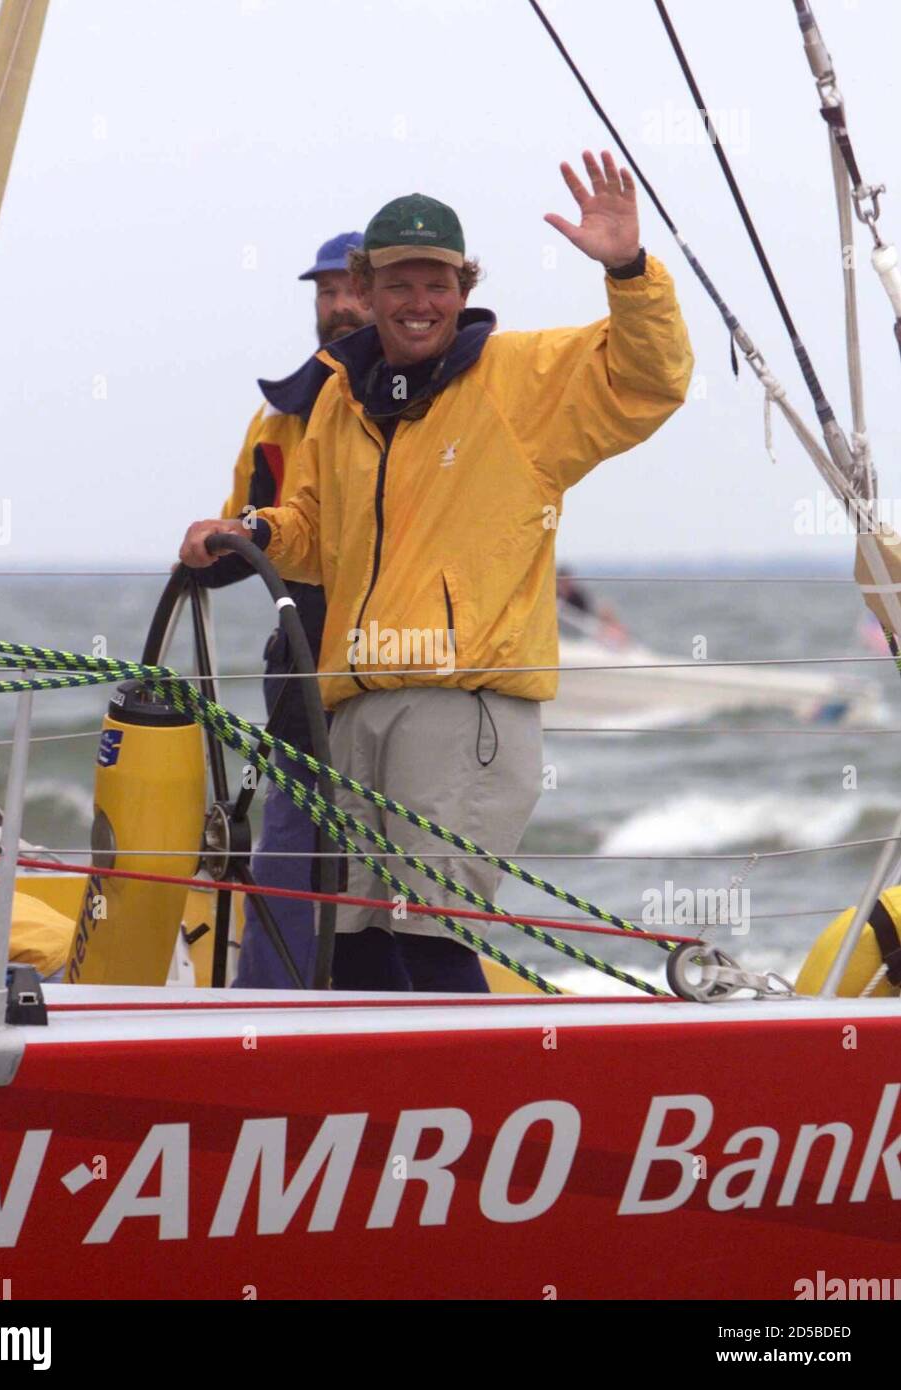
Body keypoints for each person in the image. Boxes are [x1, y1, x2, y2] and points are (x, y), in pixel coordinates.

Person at [181, 152, 694, 993]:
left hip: (460, 708)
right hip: (353, 703)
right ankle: (362, 1114)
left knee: (429, 936)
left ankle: (465, 1111)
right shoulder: (342, 399)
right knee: (349, 946)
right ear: (367, 288)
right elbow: (313, 531)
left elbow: (651, 376)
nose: (419, 304)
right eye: (397, 285)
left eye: (437, 284)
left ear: (464, 286)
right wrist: (250, 531)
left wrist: (628, 270)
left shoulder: (521, 379)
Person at [199, 230, 372, 987]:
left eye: (352, 291)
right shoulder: (277, 417)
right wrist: (212, 551)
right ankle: (266, 1006)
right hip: (302, 653)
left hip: (402, 658)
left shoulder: (428, 402)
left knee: (390, 847)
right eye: (325, 294)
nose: (338, 307)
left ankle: (383, 1006)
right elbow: (250, 521)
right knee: (289, 836)